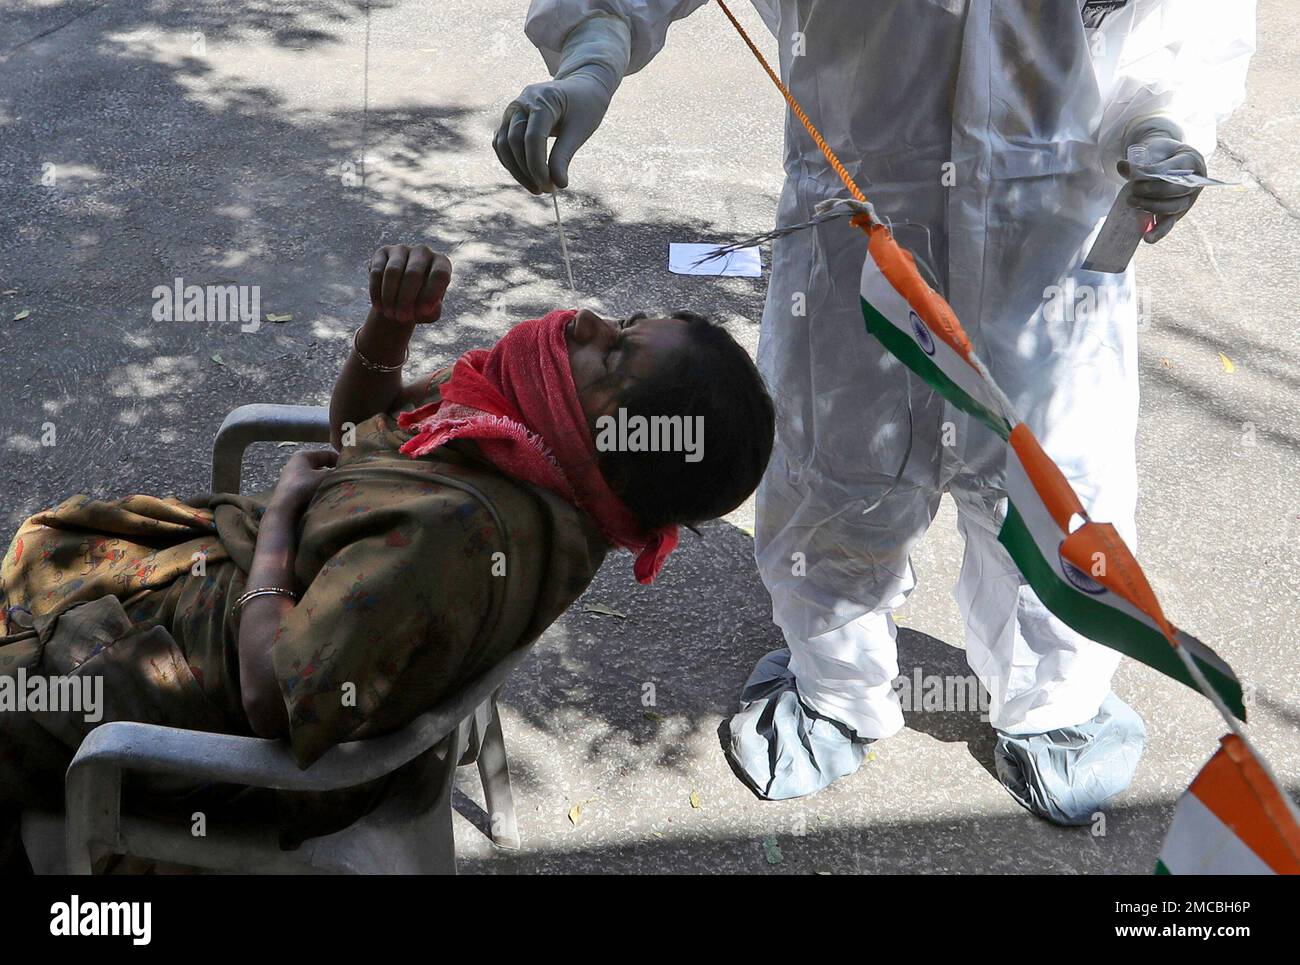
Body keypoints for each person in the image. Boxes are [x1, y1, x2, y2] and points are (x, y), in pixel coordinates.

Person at [494, 0, 1256, 822]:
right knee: (837, 481)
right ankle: (836, 690)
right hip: (854, 235)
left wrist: (1164, 123)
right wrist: (593, 54)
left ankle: (1056, 708)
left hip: (1053, 243)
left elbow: (1177, 24)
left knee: (1055, 495)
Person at [0, 243, 775, 872]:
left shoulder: (454, 538)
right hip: (204, 603)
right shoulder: (523, 441)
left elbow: (272, 696)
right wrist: (388, 325)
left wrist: (277, 534)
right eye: (626, 323)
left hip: (195, 691)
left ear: (624, 448)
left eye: (612, 361)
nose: (586, 323)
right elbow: (357, 438)